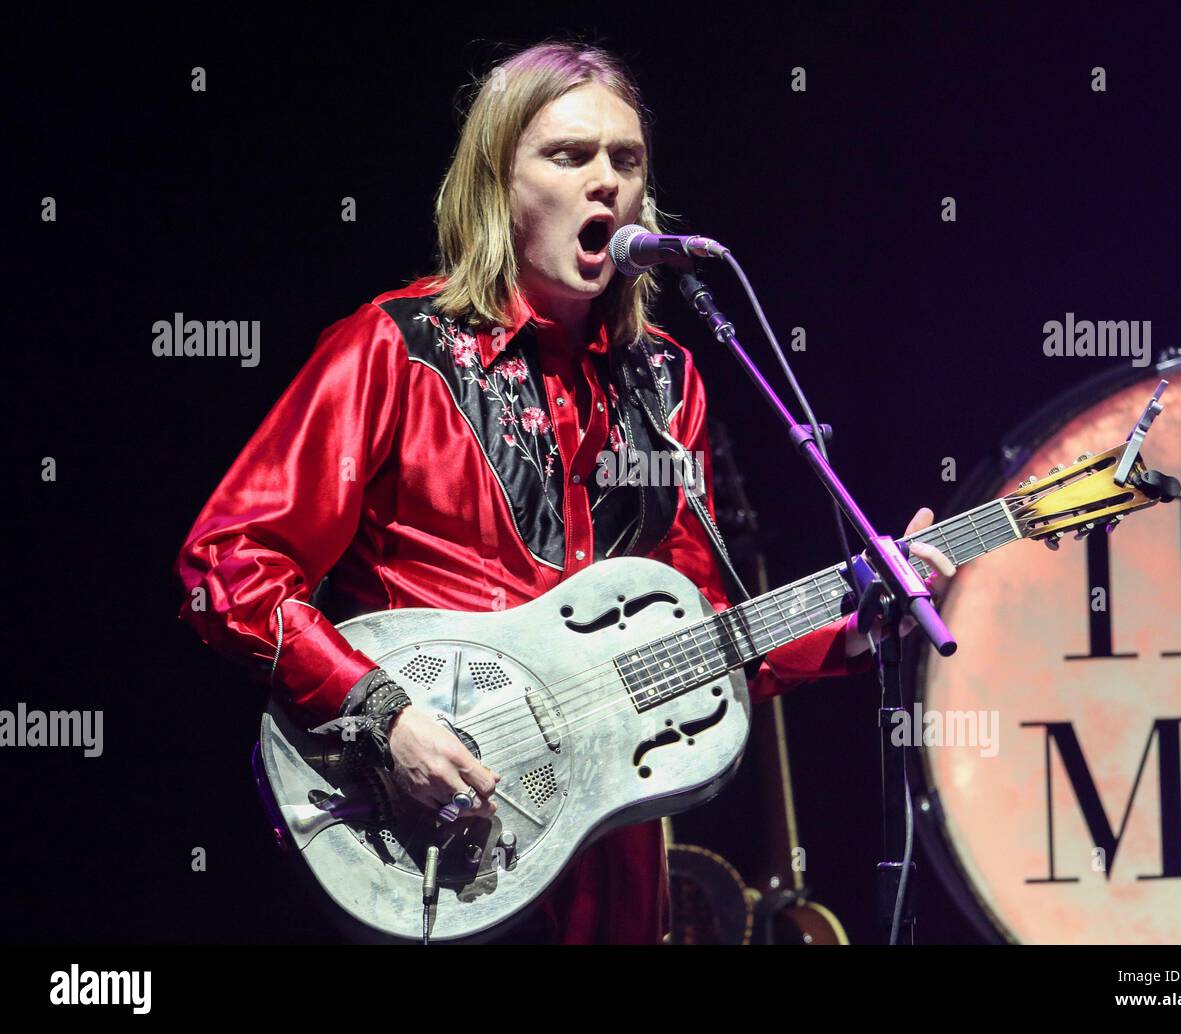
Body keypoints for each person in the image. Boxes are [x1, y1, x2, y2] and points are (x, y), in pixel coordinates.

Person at [173, 40, 954, 944]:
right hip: (423, 834)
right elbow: (228, 563)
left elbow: (697, 635)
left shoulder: (668, 382)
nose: (606, 184)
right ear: (497, 185)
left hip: (607, 861)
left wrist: (856, 626)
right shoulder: (396, 350)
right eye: (569, 155)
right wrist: (381, 711)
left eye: (625, 160)